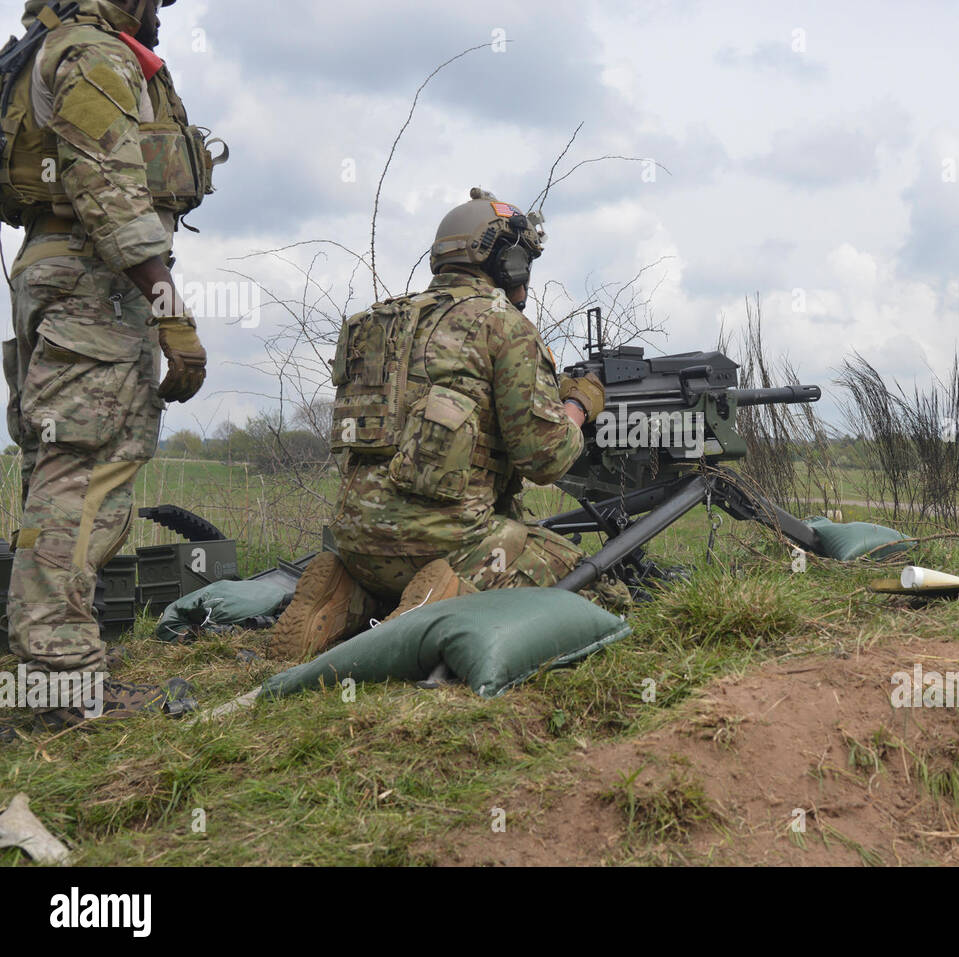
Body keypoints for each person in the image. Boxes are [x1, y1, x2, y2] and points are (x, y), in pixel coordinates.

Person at [268, 188, 625, 660]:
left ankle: (347, 592)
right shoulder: (504, 326)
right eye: (524, 261)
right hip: (451, 546)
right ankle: (442, 603)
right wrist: (578, 406)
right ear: (506, 263)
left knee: (398, 562)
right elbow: (545, 459)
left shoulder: (370, 323)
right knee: (599, 591)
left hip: (356, 543)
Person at [1, 0, 216, 732]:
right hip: (94, 282)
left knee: (58, 470)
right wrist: (172, 315)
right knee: (86, 473)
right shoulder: (93, 54)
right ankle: (59, 681)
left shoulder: (45, 48)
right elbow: (111, 195)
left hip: (56, 273)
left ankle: (43, 663)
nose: (161, 10)